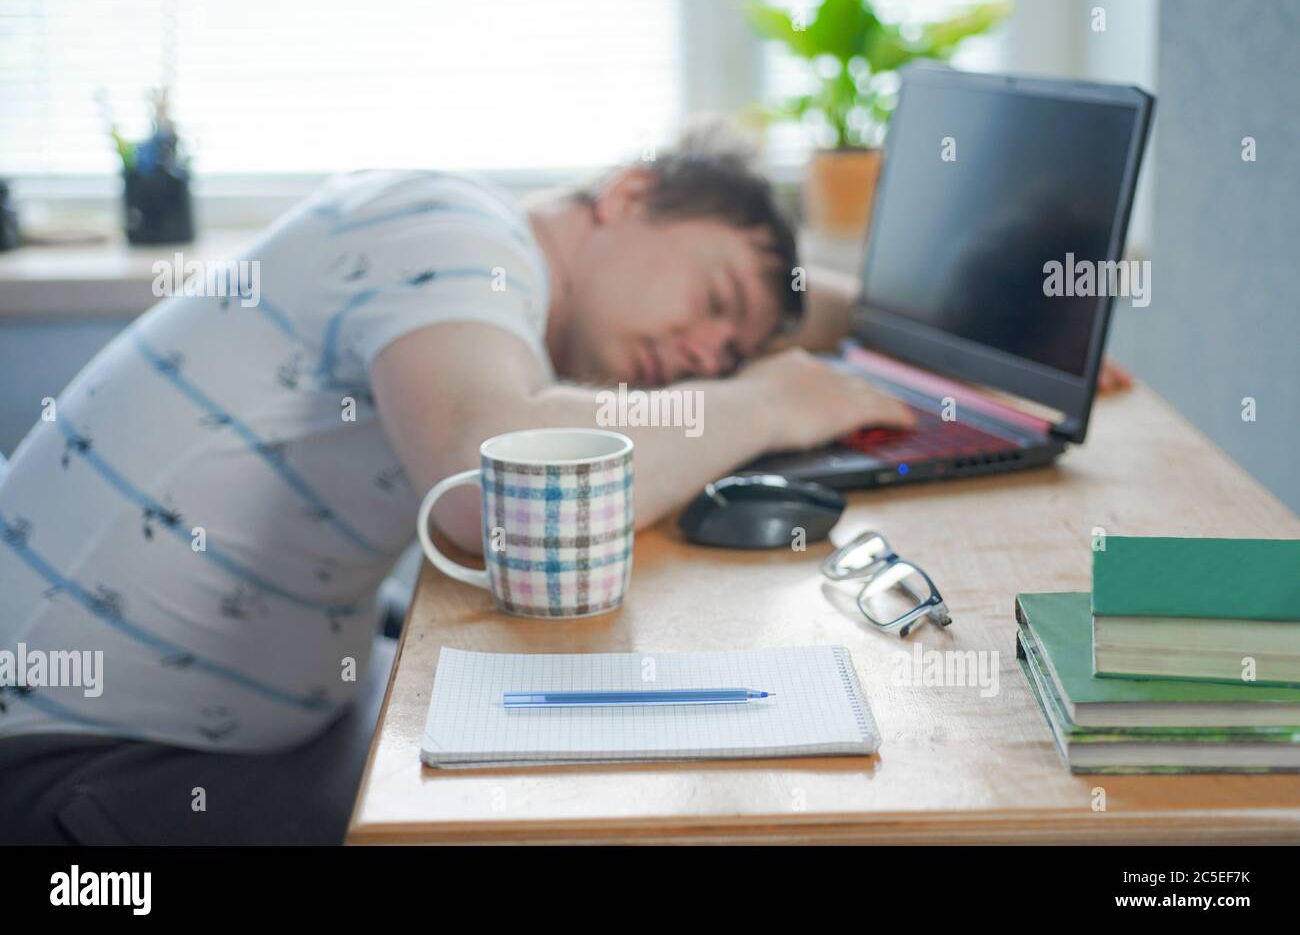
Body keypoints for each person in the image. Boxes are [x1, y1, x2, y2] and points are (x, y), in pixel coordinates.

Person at [0, 120, 1128, 843]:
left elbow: (802, 304)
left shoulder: (482, 281)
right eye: (711, 301)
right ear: (627, 190)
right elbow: (495, 479)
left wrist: (985, 340)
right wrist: (772, 398)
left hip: (252, 723)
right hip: (74, 771)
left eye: (726, 352)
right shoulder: (450, 226)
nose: (702, 352)